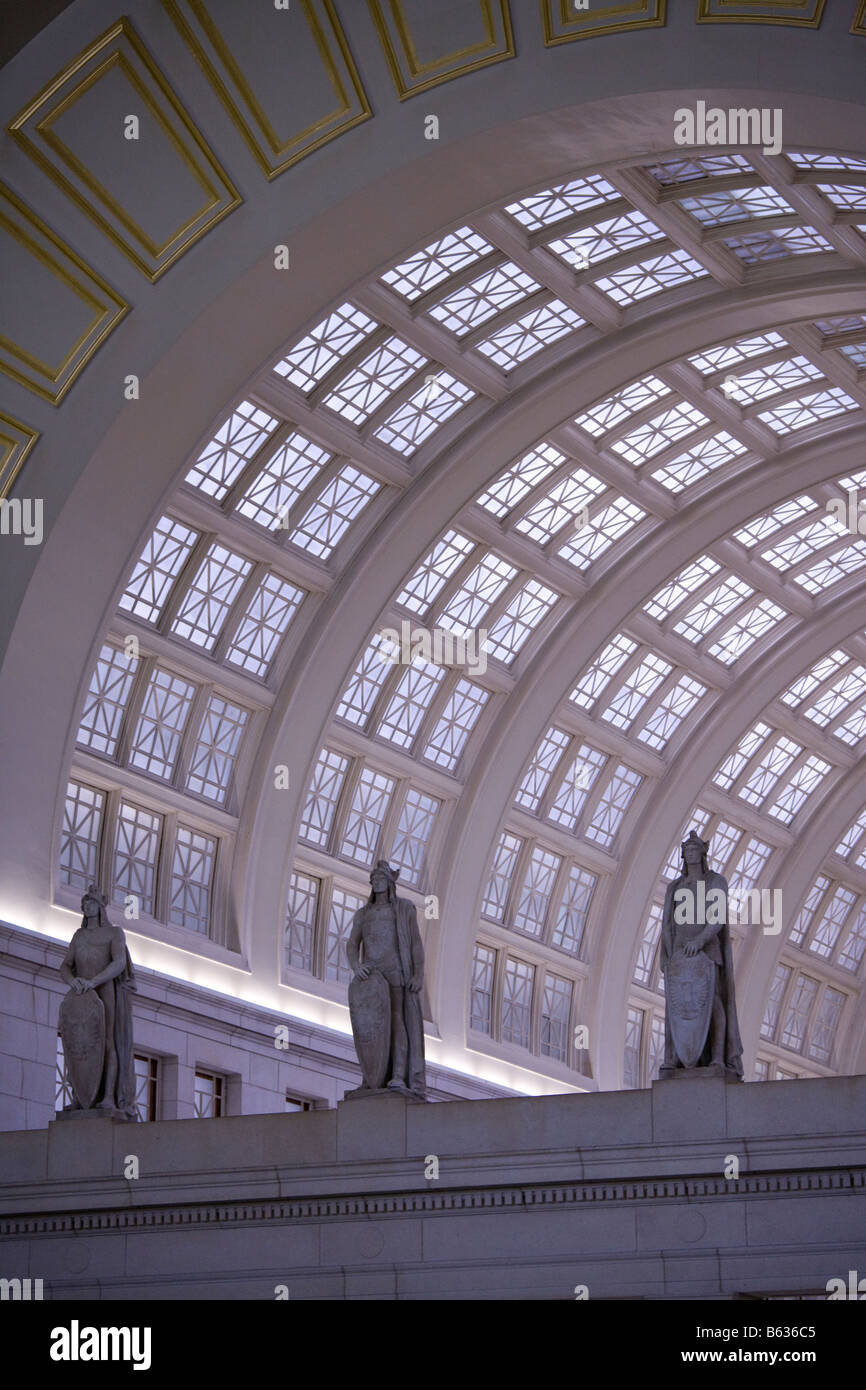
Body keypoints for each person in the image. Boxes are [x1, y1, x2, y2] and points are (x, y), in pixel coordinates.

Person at [659, 831, 743, 1079]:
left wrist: (700, 940)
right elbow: (667, 923)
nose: (691, 854)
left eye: (695, 850)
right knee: (676, 1005)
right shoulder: (675, 887)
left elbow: (717, 918)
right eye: (687, 851)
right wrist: (667, 952)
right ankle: (673, 1057)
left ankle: (718, 1056)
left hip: (706, 953)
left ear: (703, 853)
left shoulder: (716, 882)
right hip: (679, 956)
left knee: (713, 1001)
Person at [346, 861, 425, 1095]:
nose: (376, 881)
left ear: (390, 882)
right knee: (370, 1027)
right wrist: (356, 966)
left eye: (380, 877)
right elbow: (352, 944)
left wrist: (418, 974)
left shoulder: (403, 909)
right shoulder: (363, 914)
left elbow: (416, 945)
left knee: (397, 1021)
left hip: (395, 972)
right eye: (374, 878)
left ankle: (399, 1075)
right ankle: (372, 1076)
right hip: (372, 975)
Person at [59, 884, 138, 1117]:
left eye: (91, 902)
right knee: (79, 1044)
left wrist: (94, 981)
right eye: (85, 903)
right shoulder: (79, 935)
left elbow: (119, 962)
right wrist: (73, 981)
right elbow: (65, 965)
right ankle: (81, 1096)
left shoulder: (114, 933)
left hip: (104, 991)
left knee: (106, 1041)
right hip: (81, 994)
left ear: (101, 907)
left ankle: (109, 1097)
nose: (87, 906)